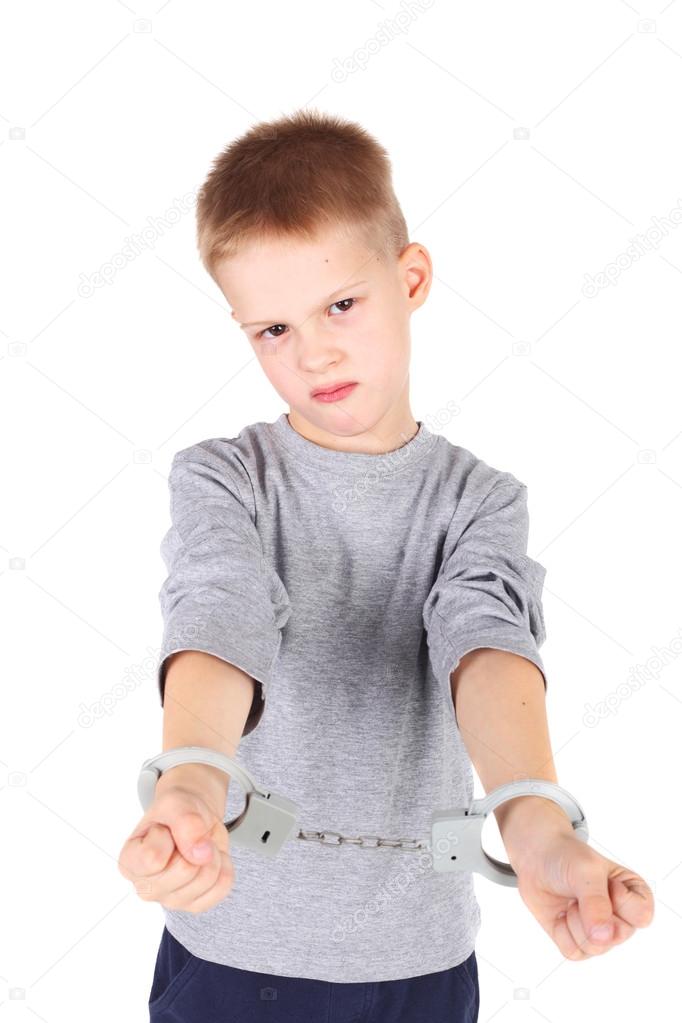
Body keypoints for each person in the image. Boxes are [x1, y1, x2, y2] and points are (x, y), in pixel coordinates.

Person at [118, 109, 654, 1022]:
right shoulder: (223, 477)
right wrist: (194, 777)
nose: (314, 351)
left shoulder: (479, 500)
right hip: (231, 954)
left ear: (410, 279)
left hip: (419, 965)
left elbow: (487, 647)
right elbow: (220, 609)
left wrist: (534, 820)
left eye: (340, 304)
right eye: (271, 330)